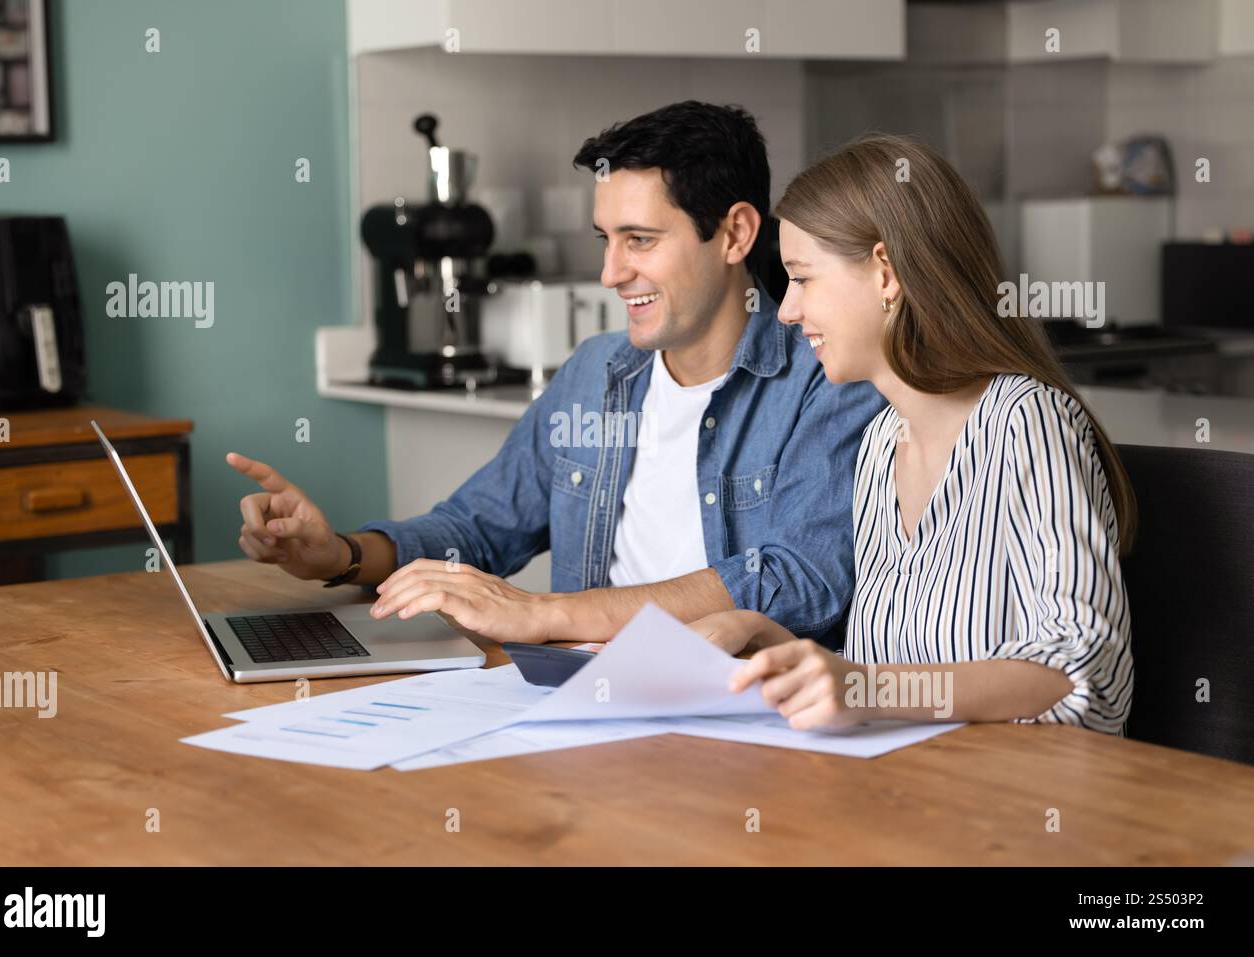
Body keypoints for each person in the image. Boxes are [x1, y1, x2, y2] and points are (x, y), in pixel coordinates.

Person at [227, 102, 885, 645]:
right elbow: (476, 529)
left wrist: (548, 614)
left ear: (736, 233)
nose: (611, 273)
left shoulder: (828, 376)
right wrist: (338, 553)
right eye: (607, 240)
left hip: (745, 721)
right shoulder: (595, 373)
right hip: (581, 700)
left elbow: (800, 578)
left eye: (641, 240)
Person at [690, 133, 1135, 734]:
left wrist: (866, 686)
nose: (787, 311)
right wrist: (773, 643)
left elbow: (1087, 675)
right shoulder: (879, 447)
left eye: (802, 278)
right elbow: (898, 680)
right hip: (901, 796)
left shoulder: (1028, 423)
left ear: (884, 275)